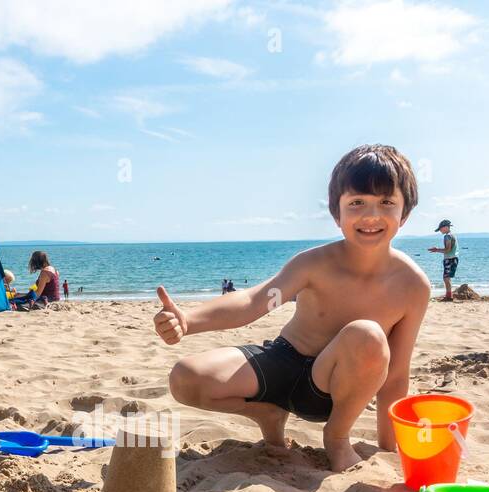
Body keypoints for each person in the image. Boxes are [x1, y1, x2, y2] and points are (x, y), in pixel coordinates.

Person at [156, 144, 429, 473]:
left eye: (386, 202)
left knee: (367, 334)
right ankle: (266, 413)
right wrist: (187, 320)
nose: (371, 215)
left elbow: (396, 375)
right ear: (336, 213)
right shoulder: (314, 264)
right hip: (283, 363)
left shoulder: (412, 285)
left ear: (405, 214)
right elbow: (254, 302)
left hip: (332, 389)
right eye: (357, 202)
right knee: (185, 378)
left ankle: (337, 437)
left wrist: (390, 448)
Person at [427, 219, 458, 302]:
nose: (440, 230)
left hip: (449, 259)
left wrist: (436, 250)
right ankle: (449, 295)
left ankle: (449, 296)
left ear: (446, 227)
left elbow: (447, 250)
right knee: (447, 278)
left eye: (441, 228)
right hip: (453, 258)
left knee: (446, 278)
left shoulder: (447, 236)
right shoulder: (453, 235)